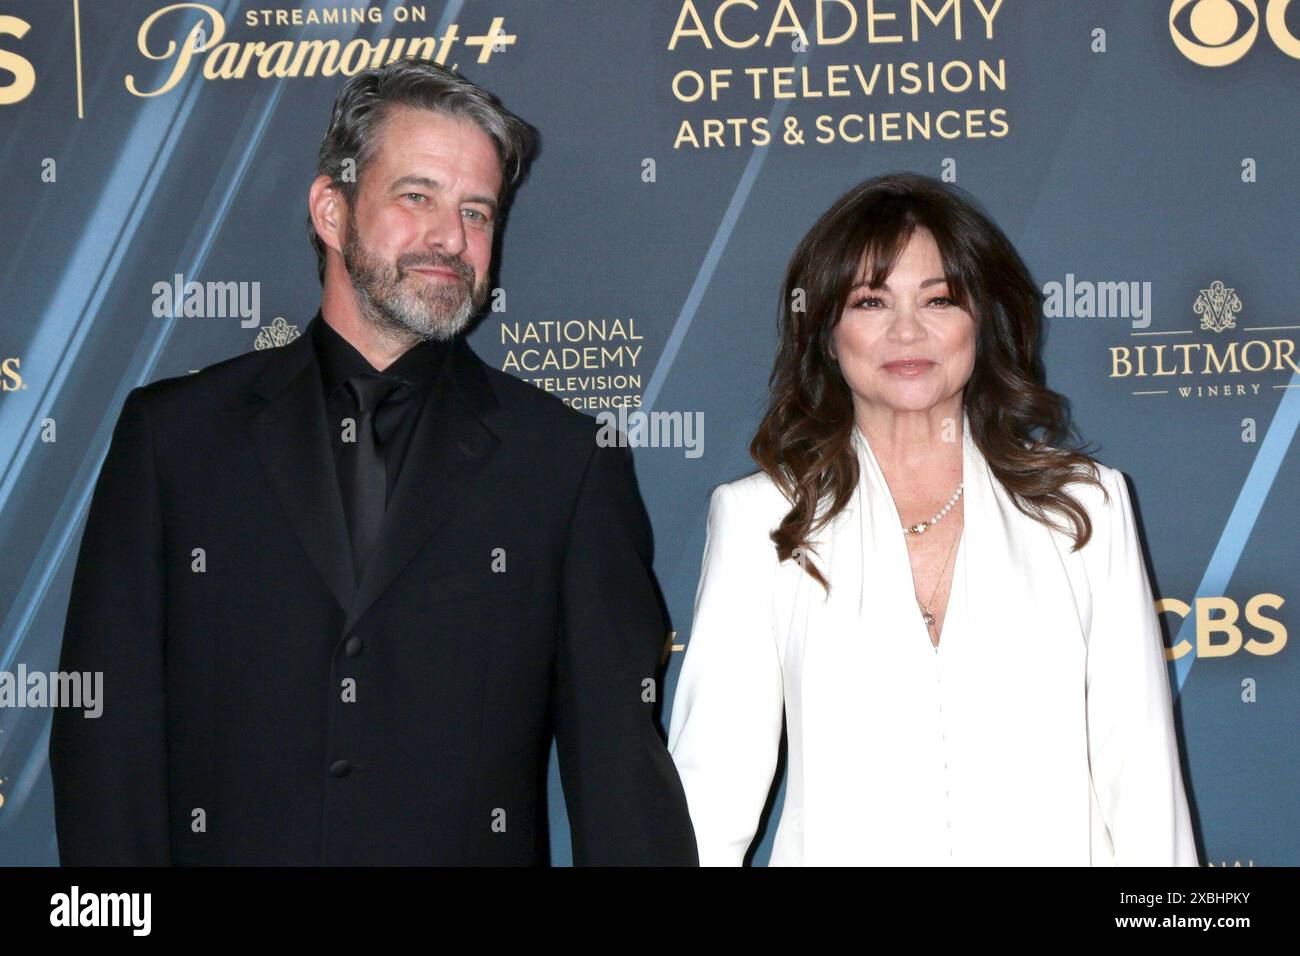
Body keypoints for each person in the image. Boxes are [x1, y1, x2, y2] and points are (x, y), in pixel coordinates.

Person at [49, 59, 698, 866]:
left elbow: (618, 776)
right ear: (332, 209)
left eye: (477, 212)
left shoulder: (562, 462)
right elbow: (104, 743)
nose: (451, 239)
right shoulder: (175, 439)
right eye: (416, 196)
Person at [666, 172, 1198, 866]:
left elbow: (1142, 778)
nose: (907, 330)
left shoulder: (1083, 507)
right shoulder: (762, 520)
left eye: (939, 299)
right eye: (871, 301)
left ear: (980, 321)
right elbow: (711, 794)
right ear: (826, 333)